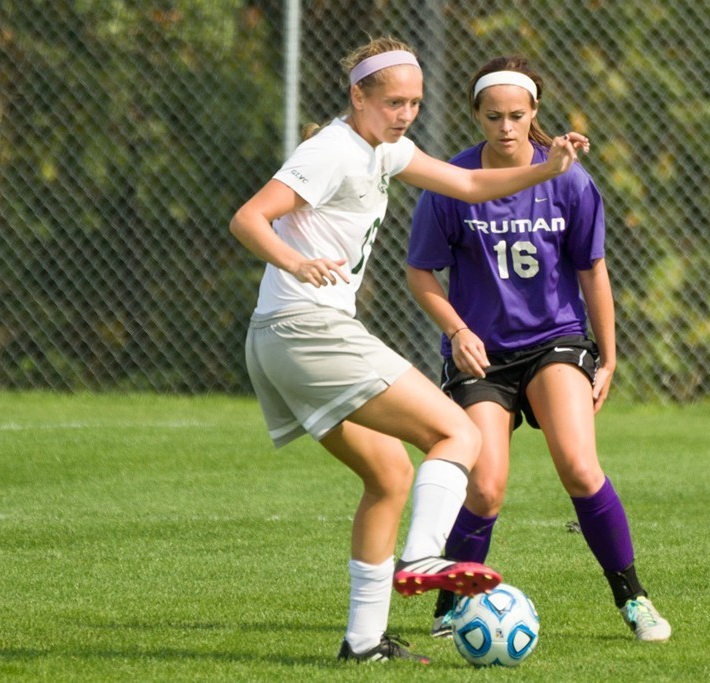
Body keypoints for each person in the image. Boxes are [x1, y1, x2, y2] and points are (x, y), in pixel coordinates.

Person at [229, 38, 590, 664]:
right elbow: (249, 218)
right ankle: (425, 553)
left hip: (279, 338)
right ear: (357, 96)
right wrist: (296, 260)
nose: (404, 114)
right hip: (306, 329)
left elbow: (472, 183)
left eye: (415, 103)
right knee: (458, 433)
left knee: (390, 475)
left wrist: (547, 168)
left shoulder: (384, 149)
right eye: (392, 101)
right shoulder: (333, 150)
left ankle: (364, 643)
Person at [405, 55, 671, 643]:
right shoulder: (451, 182)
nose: (505, 127)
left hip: (555, 340)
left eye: (517, 116)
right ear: (475, 114)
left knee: (579, 465)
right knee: (486, 484)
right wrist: (457, 330)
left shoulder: (568, 178)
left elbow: (593, 270)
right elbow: (421, 273)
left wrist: (610, 355)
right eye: (493, 115)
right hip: (482, 355)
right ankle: (452, 605)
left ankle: (634, 599)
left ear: (535, 115)